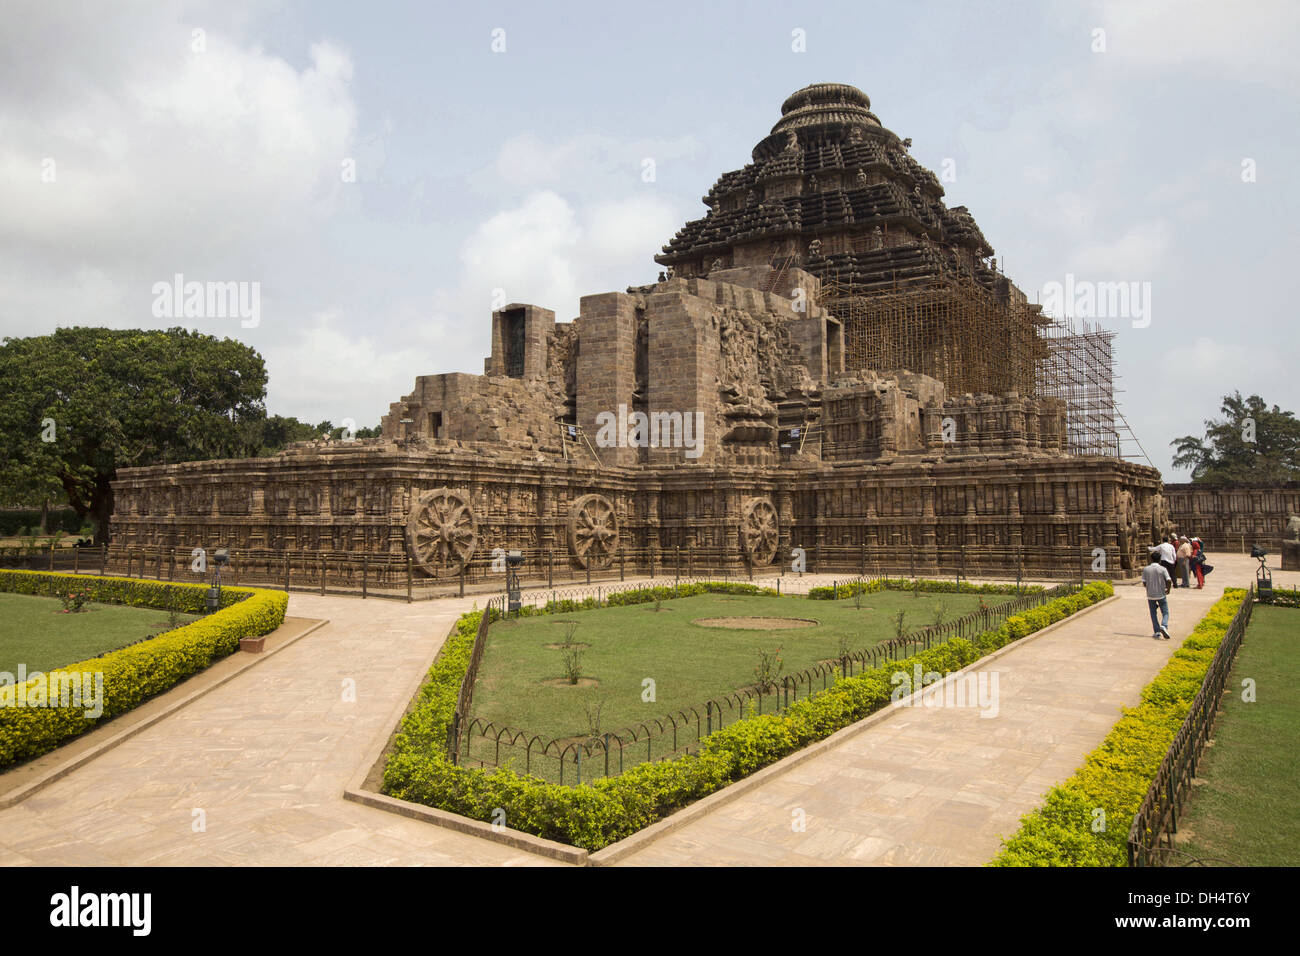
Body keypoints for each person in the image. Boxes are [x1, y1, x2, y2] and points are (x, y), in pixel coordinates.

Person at [1142, 549, 1172, 639]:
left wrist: (1149, 587)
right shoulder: (1162, 569)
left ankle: (1157, 631)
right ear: (1159, 560)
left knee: (1153, 613)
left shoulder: (1146, 569)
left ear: (1151, 559)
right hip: (1161, 594)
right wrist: (1168, 589)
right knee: (1165, 612)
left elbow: (1144, 582)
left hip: (1150, 595)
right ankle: (1164, 625)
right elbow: (1169, 580)